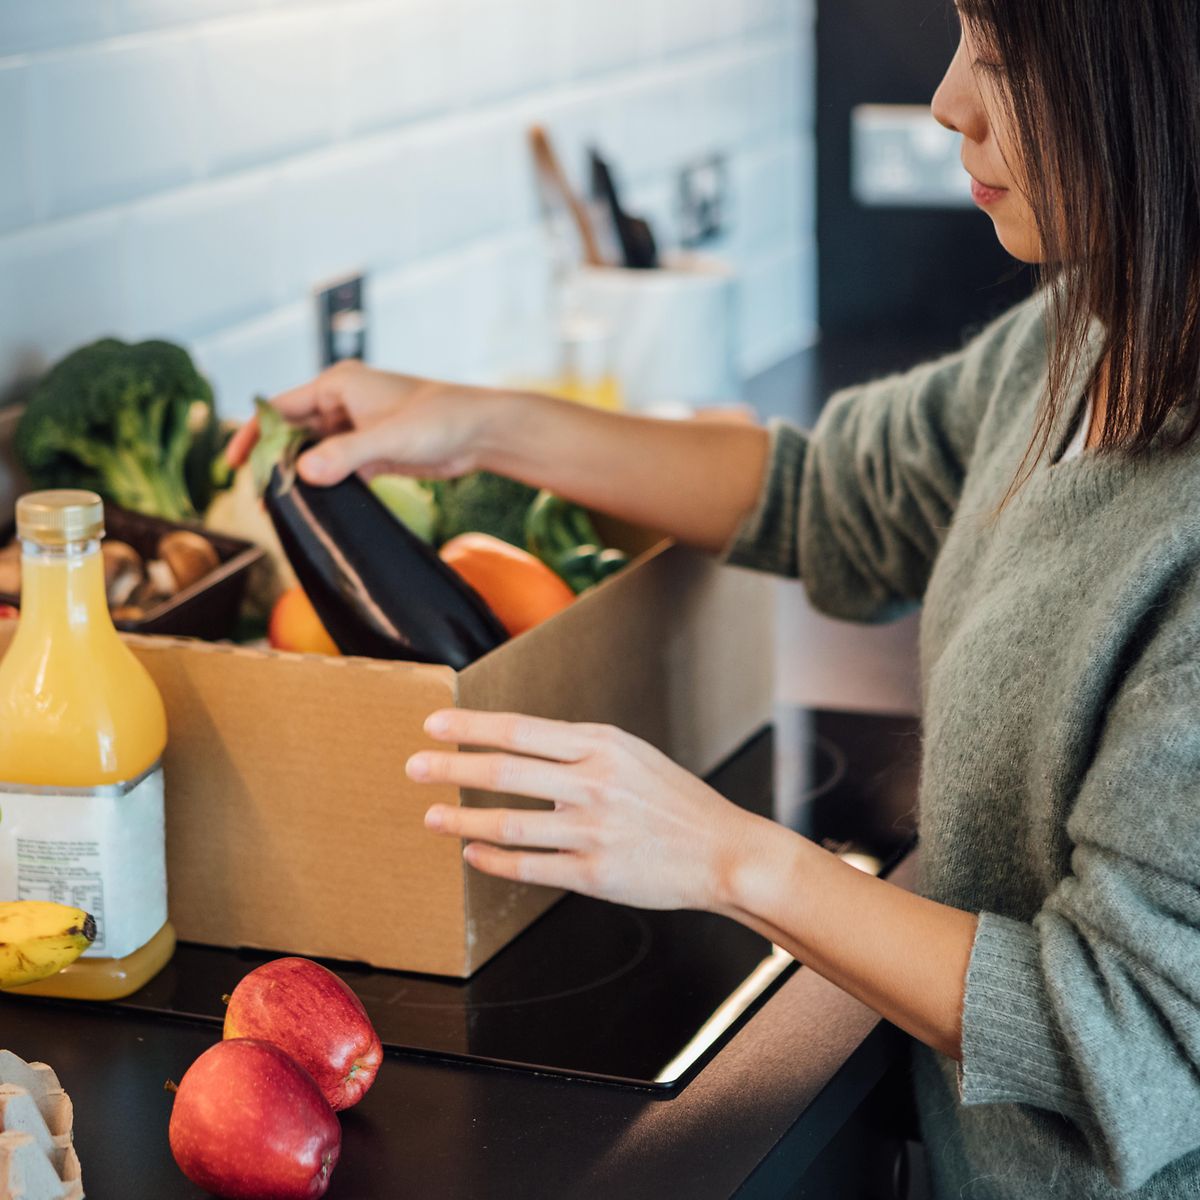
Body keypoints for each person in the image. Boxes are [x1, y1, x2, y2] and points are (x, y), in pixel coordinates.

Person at [227, 1, 1200, 1194]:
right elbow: (833, 492)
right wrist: (475, 423)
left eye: (1004, 59)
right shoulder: (1098, 332)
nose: (949, 100)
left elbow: (1128, 1032)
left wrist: (727, 858)